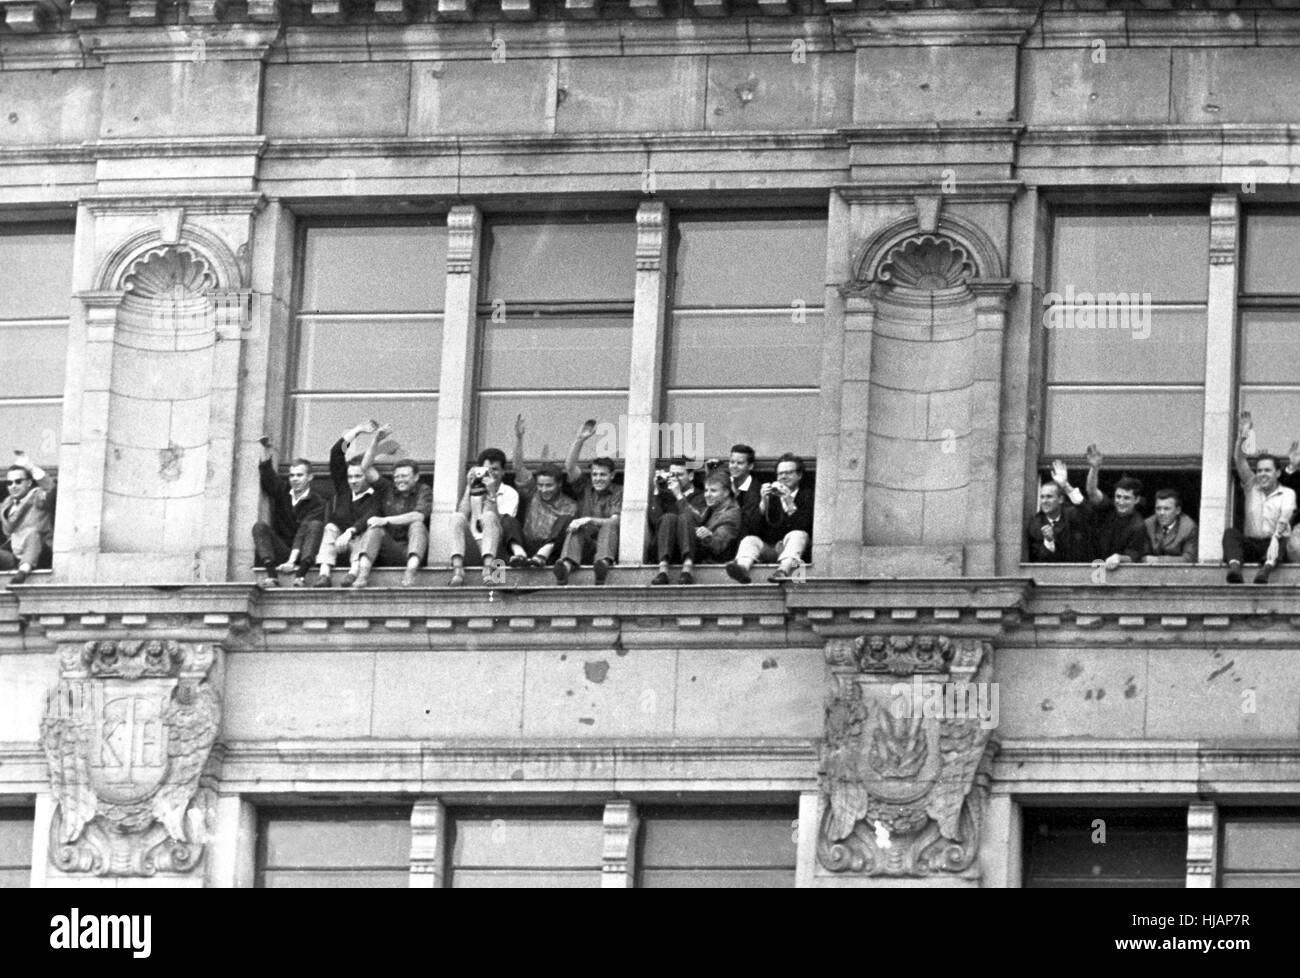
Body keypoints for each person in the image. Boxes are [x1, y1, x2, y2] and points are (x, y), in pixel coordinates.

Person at [352, 425, 431, 588]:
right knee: (374, 528)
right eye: (396, 477)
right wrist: (376, 441)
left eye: (404, 476)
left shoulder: (423, 490)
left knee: (417, 525)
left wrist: (386, 520)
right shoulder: (388, 488)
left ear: (416, 477)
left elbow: (418, 515)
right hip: (388, 549)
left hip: (413, 550)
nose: (400, 480)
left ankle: (410, 574)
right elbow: (365, 468)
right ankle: (363, 574)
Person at [310, 423, 384, 587]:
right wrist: (357, 431)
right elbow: (336, 453)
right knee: (330, 527)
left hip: (360, 546)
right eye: (350, 477)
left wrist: (350, 532)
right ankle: (324, 573)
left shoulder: (377, 494)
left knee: (366, 533)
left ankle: (353, 573)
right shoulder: (344, 488)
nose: (353, 481)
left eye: (358, 476)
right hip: (337, 544)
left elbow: (369, 517)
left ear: (367, 476)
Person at [1224, 412, 1294, 584]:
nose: (1262, 474)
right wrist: (1245, 434)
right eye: (1260, 470)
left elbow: (1285, 516)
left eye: (1267, 470)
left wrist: (1276, 538)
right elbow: (1239, 459)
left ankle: (1266, 570)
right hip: (1252, 543)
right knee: (1231, 534)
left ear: (1277, 473)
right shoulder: (1251, 485)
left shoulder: (1287, 493)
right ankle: (1234, 569)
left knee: (1284, 541)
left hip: (1274, 541)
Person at [726, 453, 813, 584]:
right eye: (780, 474)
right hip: (771, 548)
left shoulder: (807, 495)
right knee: (749, 540)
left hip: (793, 551)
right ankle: (742, 568)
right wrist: (763, 503)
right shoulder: (771, 497)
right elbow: (753, 529)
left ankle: (782, 571)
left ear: (799, 475)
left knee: (798, 535)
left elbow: (805, 527)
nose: (783, 477)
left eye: (788, 472)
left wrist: (790, 503)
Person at [553, 420, 622, 585]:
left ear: (612, 475)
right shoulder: (585, 486)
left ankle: (602, 565)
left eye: (603, 475)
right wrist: (580, 440)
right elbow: (569, 467)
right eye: (595, 474)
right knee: (576, 526)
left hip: (610, 546)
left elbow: (616, 521)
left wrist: (589, 519)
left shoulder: (619, 491)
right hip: (586, 545)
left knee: (608, 525)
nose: (598, 479)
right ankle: (566, 567)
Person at [503, 415, 576, 568]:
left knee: (565, 520)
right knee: (507, 520)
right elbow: (518, 467)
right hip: (528, 546)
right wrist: (519, 438)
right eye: (541, 485)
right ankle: (519, 554)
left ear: (559, 484)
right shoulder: (533, 493)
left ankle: (542, 555)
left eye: (549, 485)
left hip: (552, 550)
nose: (543, 490)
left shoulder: (570, 504)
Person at [252, 438, 325, 587]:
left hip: (305, 552)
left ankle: (300, 577)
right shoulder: (283, 491)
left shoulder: (318, 502)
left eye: (299, 475)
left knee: (315, 525)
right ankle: (271, 576)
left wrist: (292, 561)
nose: (294, 479)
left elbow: (304, 531)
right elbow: (268, 478)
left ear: (310, 477)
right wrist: (267, 452)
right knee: (259, 527)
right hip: (283, 550)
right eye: (292, 475)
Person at [650, 468, 741, 585]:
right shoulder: (713, 506)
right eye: (706, 490)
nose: (707, 495)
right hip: (687, 548)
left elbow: (719, 544)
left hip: (708, 554)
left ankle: (687, 570)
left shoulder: (731, 514)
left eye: (713, 491)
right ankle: (663, 570)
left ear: (726, 492)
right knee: (669, 517)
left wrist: (709, 536)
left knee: (685, 518)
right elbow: (695, 517)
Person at [448, 447, 519, 587]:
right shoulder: (475, 489)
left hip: (498, 550)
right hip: (474, 547)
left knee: (488, 516)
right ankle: (457, 571)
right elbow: (462, 515)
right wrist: (469, 487)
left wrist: (492, 494)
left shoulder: (510, 493)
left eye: (495, 469)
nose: (490, 473)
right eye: (486, 470)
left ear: (503, 472)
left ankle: (488, 570)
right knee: (456, 516)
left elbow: (502, 523)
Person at [1080, 444, 1148, 569]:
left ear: (1136, 500)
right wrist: (1094, 468)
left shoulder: (1138, 525)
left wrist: (1118, 558)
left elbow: (1133, 557)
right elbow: (1092, 491)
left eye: (1126, 498)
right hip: (1094, 565)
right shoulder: (1109, 507)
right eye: (1118, 497)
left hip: (1120, 575)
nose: (1121, 502)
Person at [1, 451, 55, 585]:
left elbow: (51, 488)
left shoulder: (36, 497)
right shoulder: (7, 504)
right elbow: (8, 529)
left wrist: (30, 467)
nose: (13, 486)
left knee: (33, 534)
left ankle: (23, 571)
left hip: (39, 550)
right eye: (9, 483)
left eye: (18, 481)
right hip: (15, 553)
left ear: (29, 482)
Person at [1025, 461, 1091, 562]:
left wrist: (1065, 486)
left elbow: (1087, 511)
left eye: (1049, 497)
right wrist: (1049, 541)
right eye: (1042, 497)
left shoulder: (1070, 514)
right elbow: (1039, 560)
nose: (1044, 501)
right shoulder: (1036, 524)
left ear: (1060, 499)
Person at [1144, 489, 1198, 564]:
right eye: (1158, 508)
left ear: (1178, 510)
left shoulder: (1189, 527)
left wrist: (1158, 560)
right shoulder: (1148, 524)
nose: (1161, 513)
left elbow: (1189, 559)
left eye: (1166, 509)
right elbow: (1141, 556)